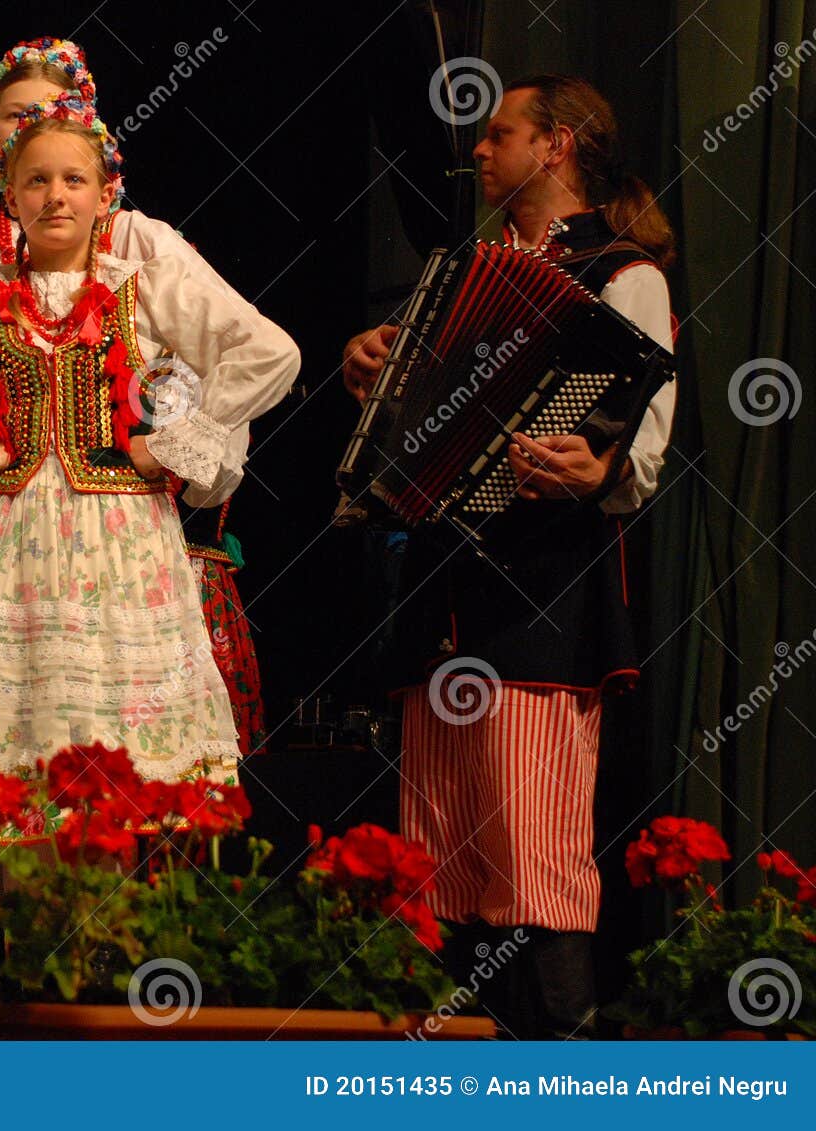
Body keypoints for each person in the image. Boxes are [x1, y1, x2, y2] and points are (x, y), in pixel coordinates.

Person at [0, 95, 300, 993]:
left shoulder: (145, 285)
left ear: (104, 193)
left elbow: (269, 353)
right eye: (37, 178)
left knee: (109, 742)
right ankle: (1, 977)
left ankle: (108, 971)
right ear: (6, 192)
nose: (56, 195)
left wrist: (169, 442)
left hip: (120, 544)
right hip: (10, 545)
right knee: (10, 749)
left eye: (74, 179)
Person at [341, 74, 676, 1038]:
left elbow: (641, 451)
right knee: (441, 848)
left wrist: (596, 464)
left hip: (545, 598)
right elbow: (419, 406)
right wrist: (377, 361)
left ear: (558, 144)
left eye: (499, 135)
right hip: (444, 589)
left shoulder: (625, 273)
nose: (479, 153)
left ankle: (564, 1065)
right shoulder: (470, 268)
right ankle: (454, 1067)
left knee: (536, 851)